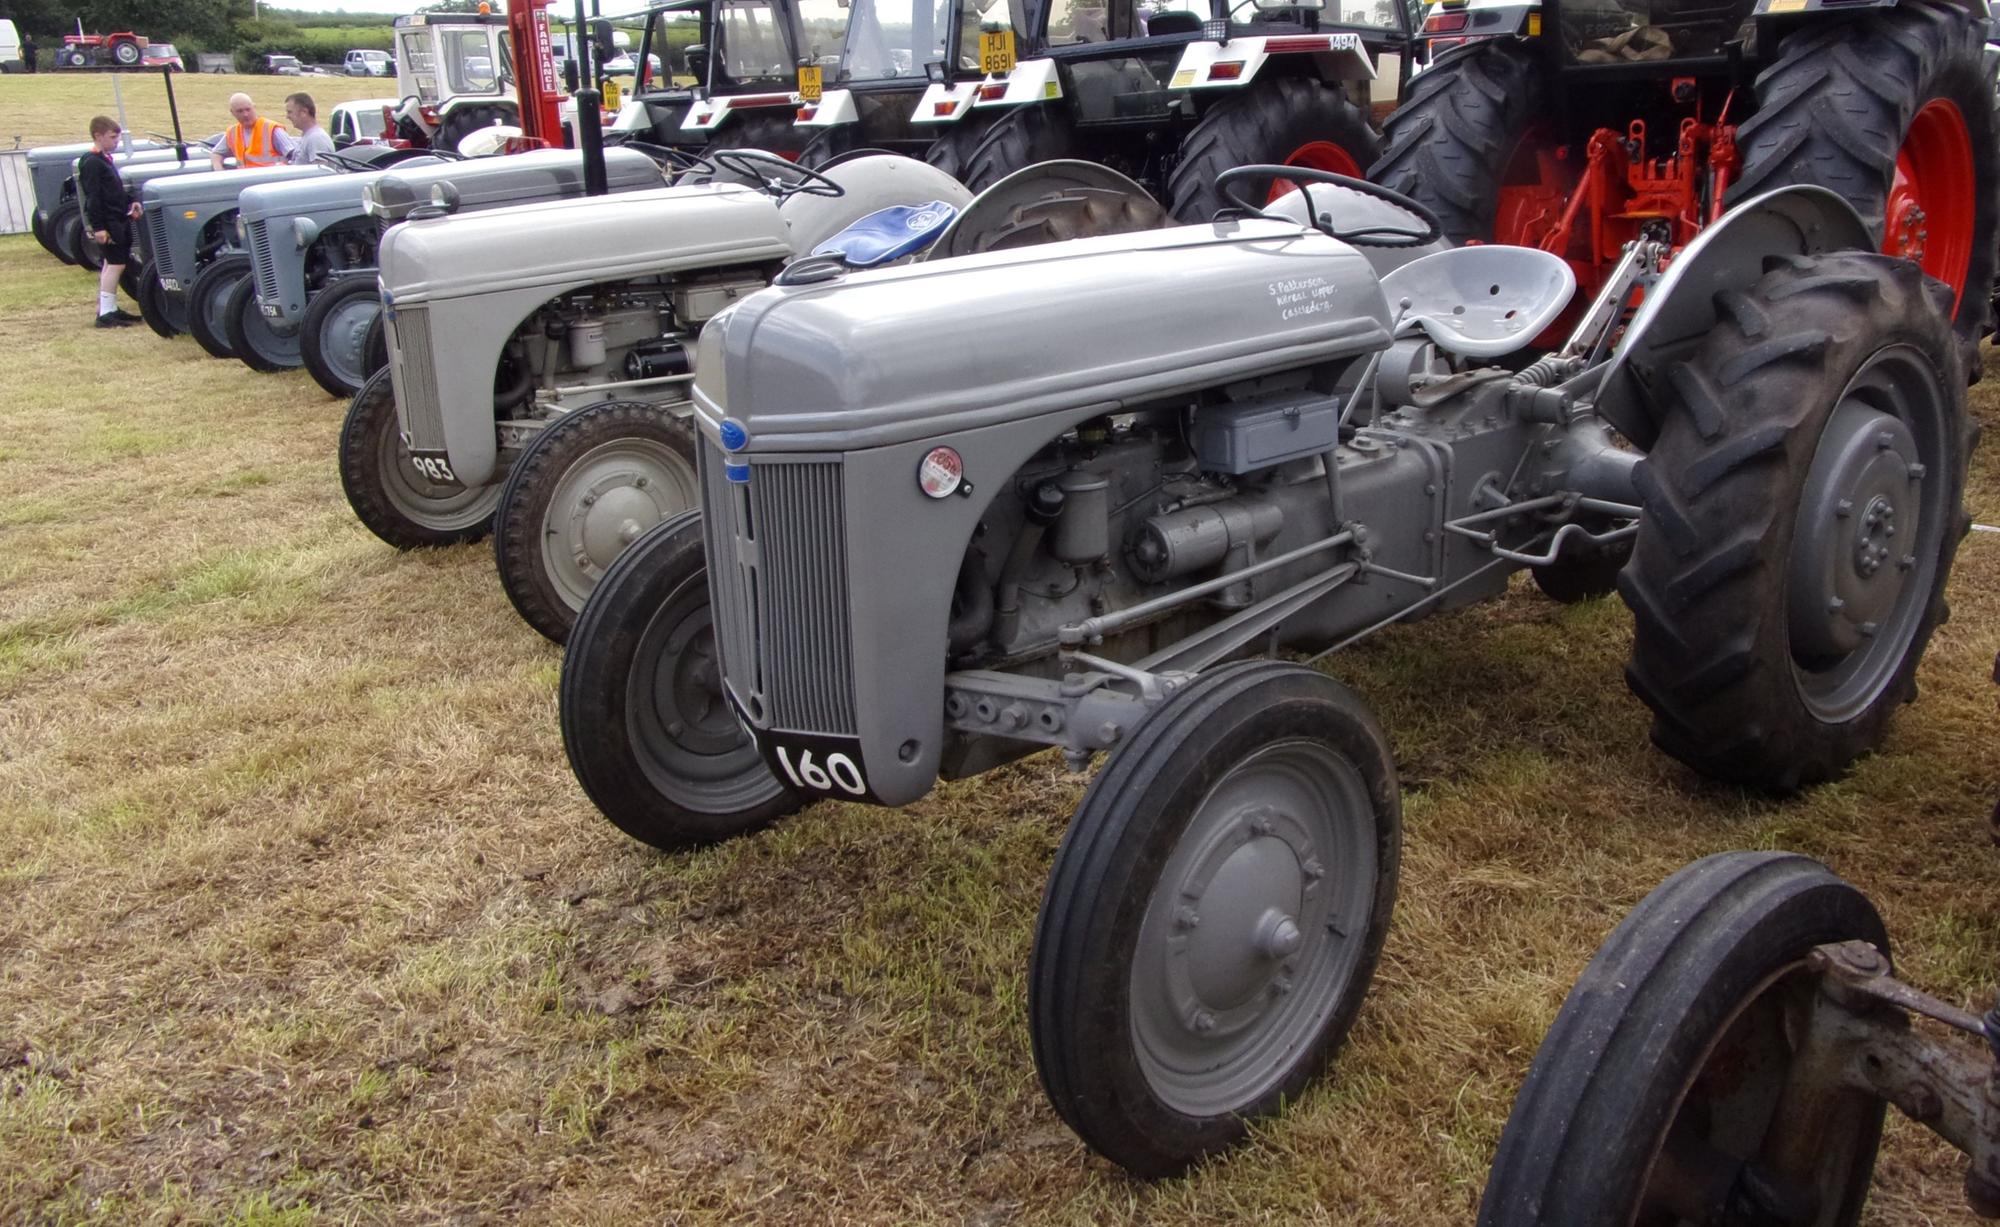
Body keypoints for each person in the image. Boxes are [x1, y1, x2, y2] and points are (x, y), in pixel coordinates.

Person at [77, 116, 143, 328]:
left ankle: (109, 307)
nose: (116, 142)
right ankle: (106, 312)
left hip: (116, 217)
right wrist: (99, 227)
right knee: (116, 264)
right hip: (108, 221)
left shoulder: (103, 159)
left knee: (110, 263)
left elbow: (112, 191)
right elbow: (94, 197)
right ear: (98, 135)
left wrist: (129, 203)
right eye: (113, 137)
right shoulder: (92, 163)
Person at [211, 93, 295, 169]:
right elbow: (216, 154)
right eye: (240, 111)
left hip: (270, 180)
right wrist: (219, 171)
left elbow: (295, 155)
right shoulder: (232, 133)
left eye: (248, 109)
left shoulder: (272, 129)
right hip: (246, 181)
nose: (245, 114)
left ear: (253, 107)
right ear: (232, 112)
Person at [284, 92, 335, 164]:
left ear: (304, 112)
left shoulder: (316, 138)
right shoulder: (309, 137)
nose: (287, 116)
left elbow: (320, 172)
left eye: (290, 112)